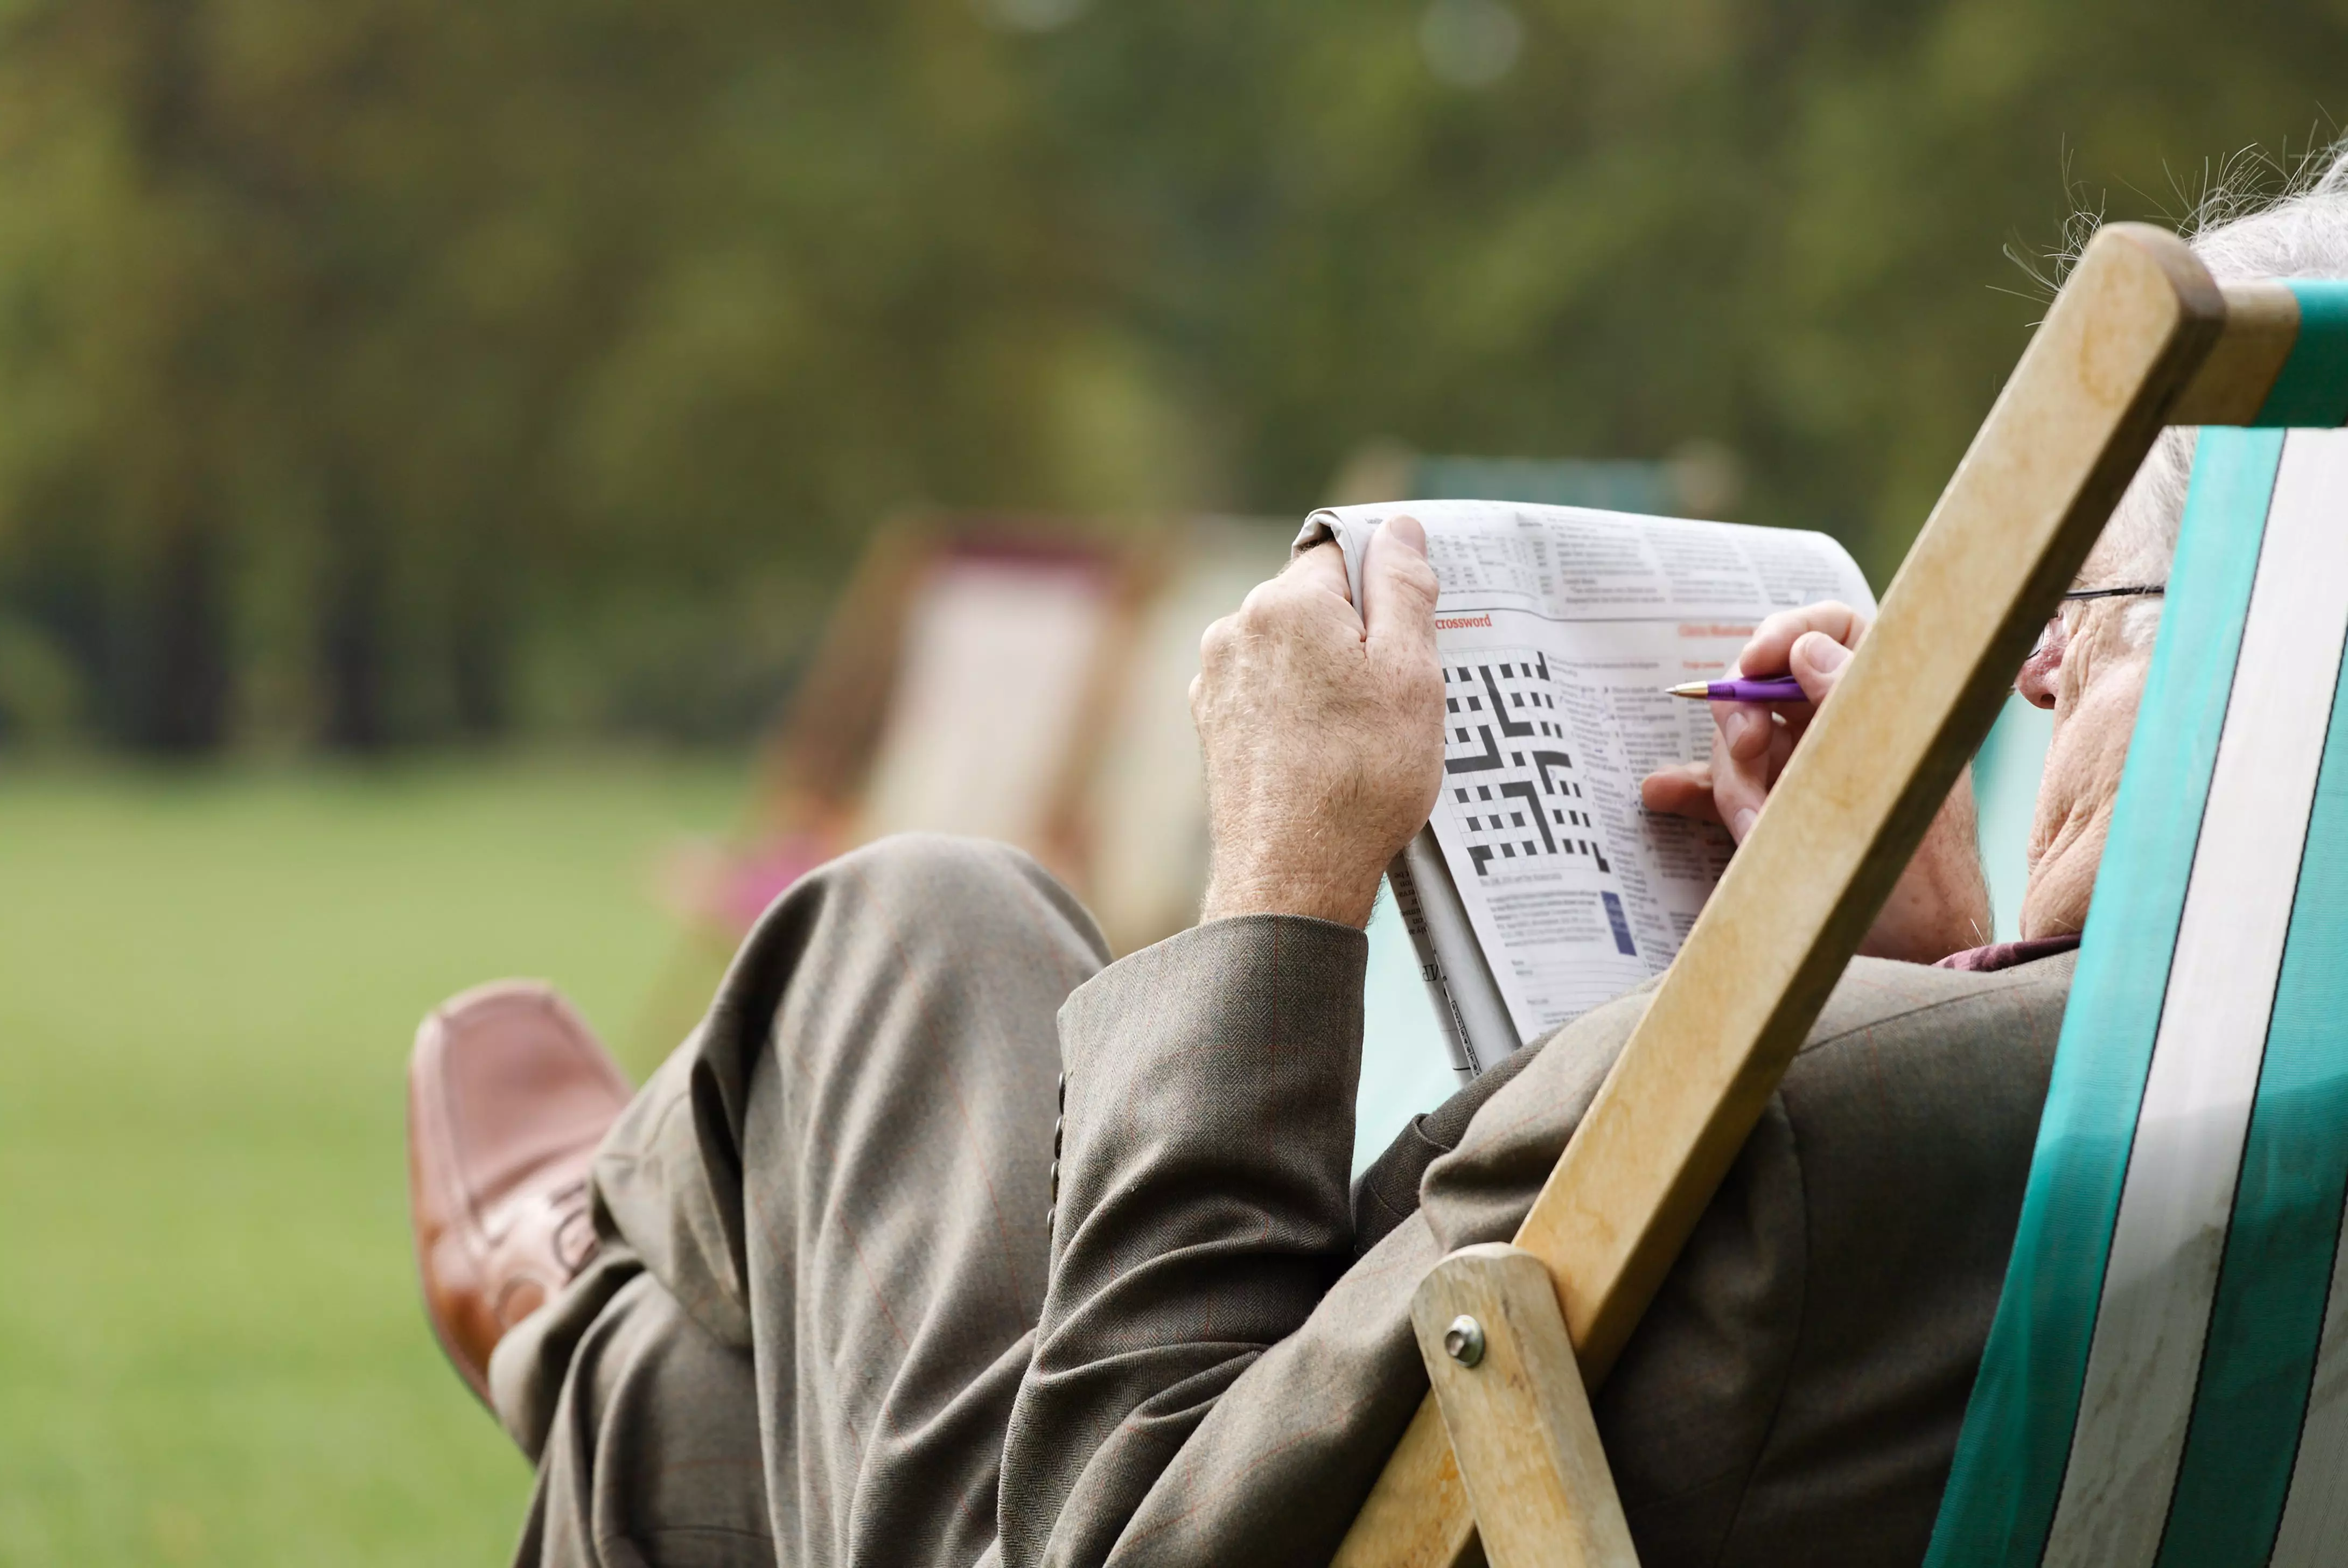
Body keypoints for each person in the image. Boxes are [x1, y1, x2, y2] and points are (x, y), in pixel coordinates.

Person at [406, 178, 2348, 1568]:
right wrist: (1913, 966)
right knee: (718, 1410)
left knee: (918, 929)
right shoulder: (2162, 1131)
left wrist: (1283, 888)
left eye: (2087, 610)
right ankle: (603, 1310)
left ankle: (581, 1286)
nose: (2032, 668)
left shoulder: (1789, 1135)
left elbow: (1113, 1518)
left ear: (2250, 667)